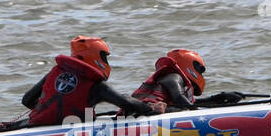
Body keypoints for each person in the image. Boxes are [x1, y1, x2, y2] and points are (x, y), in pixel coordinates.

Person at [22, 36, 166, 126]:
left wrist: (50, 113)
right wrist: (151, 109)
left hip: (36, 126)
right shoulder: (96, 86)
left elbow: (27, 100)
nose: (106, 61)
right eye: (104, 57)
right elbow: (125, 101)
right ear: (94, 57)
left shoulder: (55, 72)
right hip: (64, 133)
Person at [130, 49, 245, 111]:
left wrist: (220, 98)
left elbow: (189, 103)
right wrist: (202, 116)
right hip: (143, 112)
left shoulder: (172, 78)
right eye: (200, 71)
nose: (201, 76)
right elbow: (180, 100)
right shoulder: (174, 77)